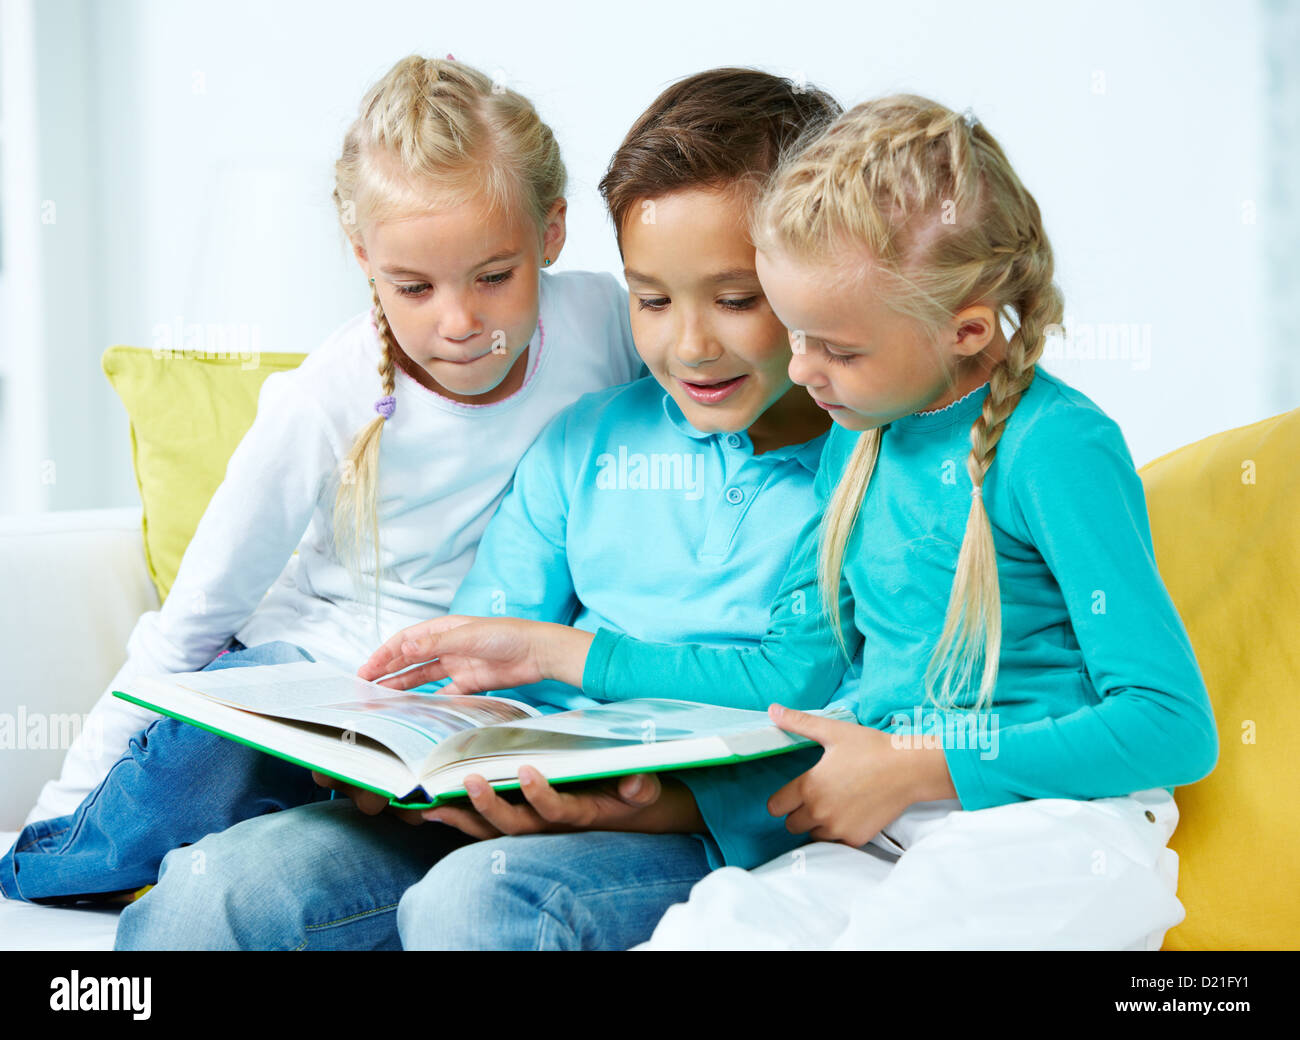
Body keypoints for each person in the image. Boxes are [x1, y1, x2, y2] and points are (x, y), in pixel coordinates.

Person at [370, 95, 1219, 951]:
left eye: (837, 349)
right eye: (798, 334)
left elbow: (1171, 723)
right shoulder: (860, 443)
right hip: (895, 822)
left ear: (966, 329)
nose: (803, 369)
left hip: (1046, 827)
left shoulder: (1056, 445)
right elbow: (795, 673)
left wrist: (914, 767)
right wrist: (558, 662)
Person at [112, 67, 843, 951]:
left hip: (699, 821)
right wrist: (429, 763)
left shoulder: (871, 469)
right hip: (523, 793)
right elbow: (493, 643)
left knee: (469, 903)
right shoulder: (587, 435)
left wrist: (655, 803)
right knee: (212, 891)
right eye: (650, 299)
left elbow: (842, 708)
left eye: (736, 300)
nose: (687, 343)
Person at [1, 54, 641, 904]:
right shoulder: (324, 398)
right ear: (362, 257)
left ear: (551, 233)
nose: (458, 323)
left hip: (471, 698)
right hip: (312, 676)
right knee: (206, 763)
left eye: (495, 276)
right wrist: (65, 802)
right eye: (412, 287)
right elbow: (189, 625)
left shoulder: (606, 323)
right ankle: (65, 862)